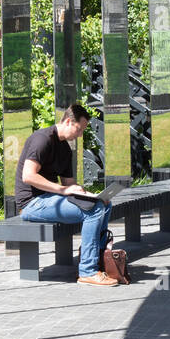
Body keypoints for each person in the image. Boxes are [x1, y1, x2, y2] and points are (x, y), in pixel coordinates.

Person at [16, 103, 117, 286]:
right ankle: (87, 270)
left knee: (103, 205)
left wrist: (91, 195)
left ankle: (99, 258)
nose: (80, 135)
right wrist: (63, 190)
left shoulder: (65, 149)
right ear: (69, 121)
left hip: (50, 199)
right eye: (79, 129)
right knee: (93, 211)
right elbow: (28, 176)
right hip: (31, 204)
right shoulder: (42, 139)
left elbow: (70, 184)